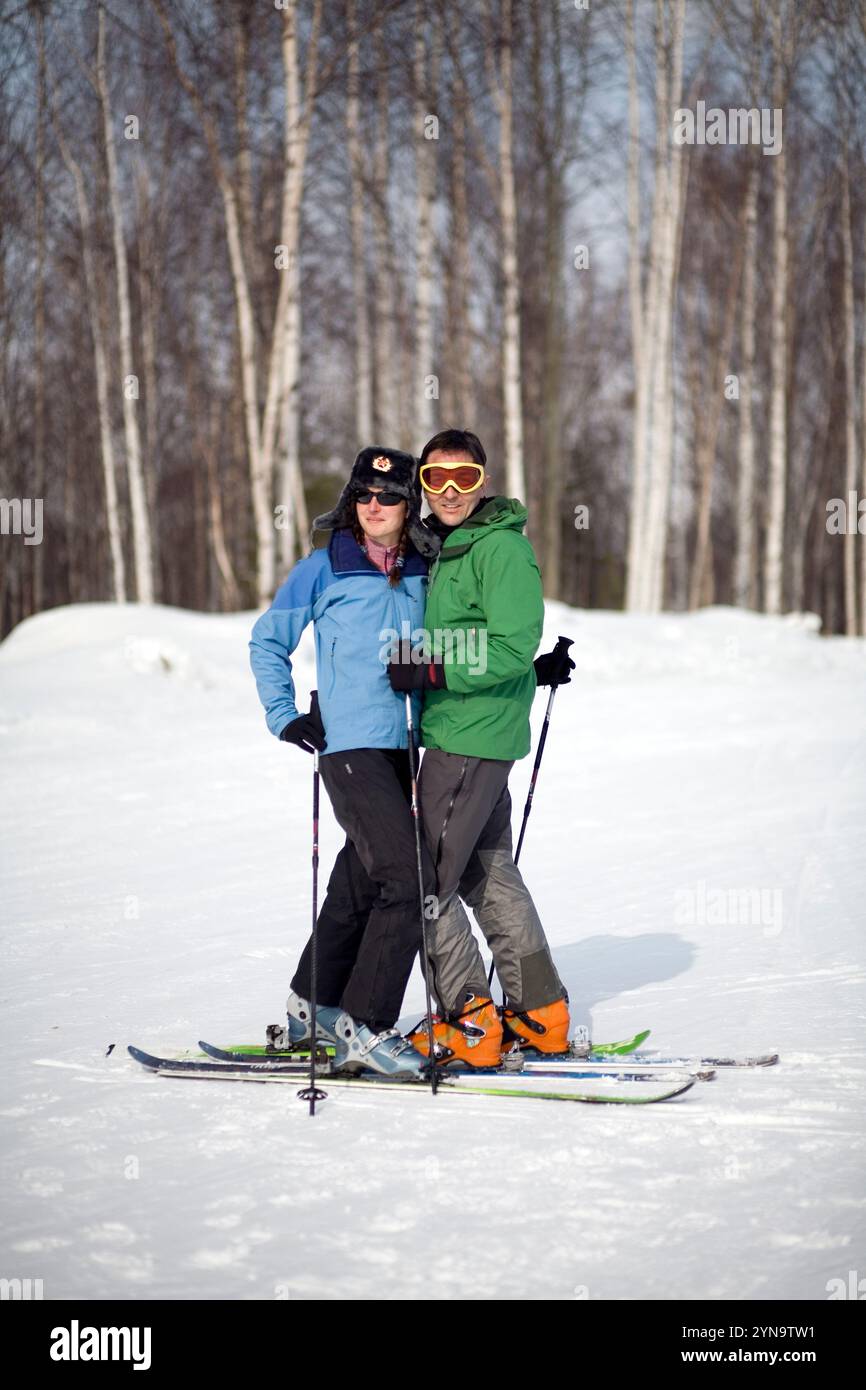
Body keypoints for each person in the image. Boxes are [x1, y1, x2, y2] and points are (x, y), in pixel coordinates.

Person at [249, 446, 439, 1077]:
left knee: (359, 883)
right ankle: (367, 1025)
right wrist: (283, 715)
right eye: (364, 495)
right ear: (351, 502)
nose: (375, 506)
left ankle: (314, 1005)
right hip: (351, 748)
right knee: (407, 881)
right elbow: (267, 640)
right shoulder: (324, 567)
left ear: (408, 504)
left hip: (405, 747)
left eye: (388, 496)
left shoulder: (425, 567)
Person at [388, 428, 574, 1068]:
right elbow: (500, 645)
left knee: (425, 879)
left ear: (482, 482)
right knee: (487, 871)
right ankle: (540, 1013)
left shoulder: (499, 549)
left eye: (462, 480)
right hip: (471, 733)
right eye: (434, 480)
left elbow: (508, 646)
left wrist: (432, 667)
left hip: (465, 738)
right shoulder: (450, 547)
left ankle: (468, 1020)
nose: (448, 492)